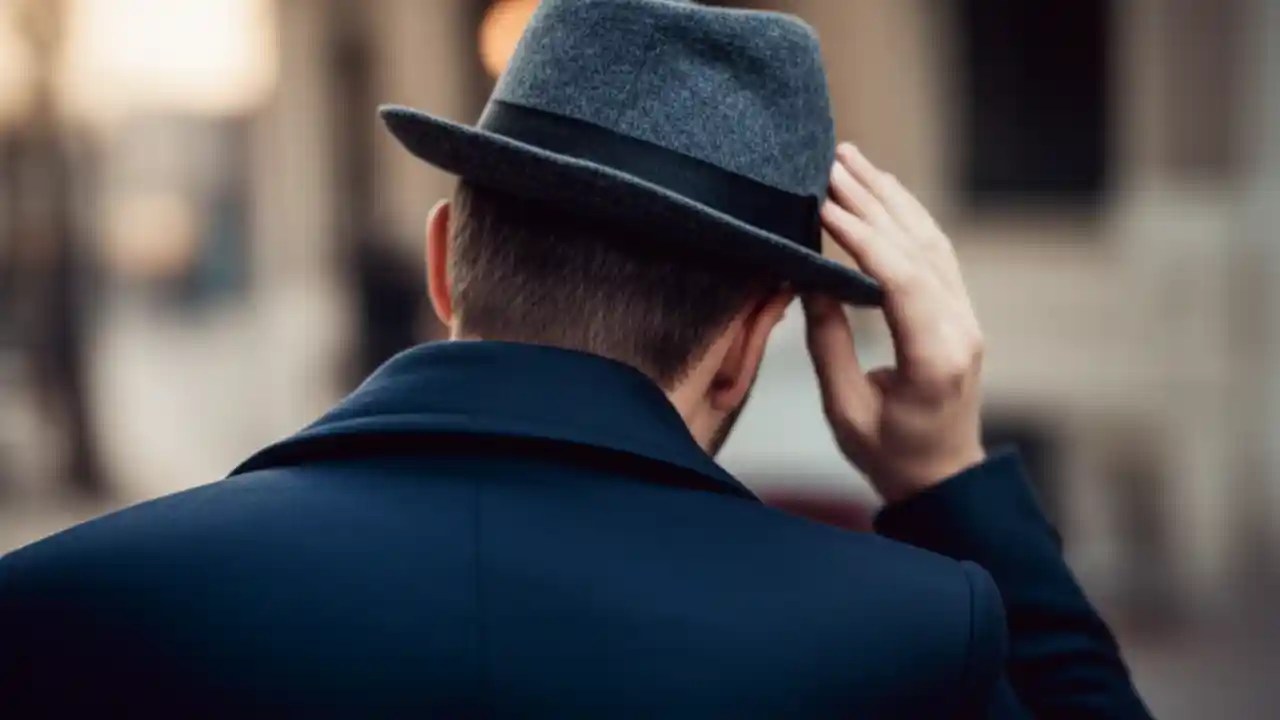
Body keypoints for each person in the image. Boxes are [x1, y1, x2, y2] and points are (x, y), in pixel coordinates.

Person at [0, 0, 1153, 716]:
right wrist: (947, 477)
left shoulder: (63, 604)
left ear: (444, 261)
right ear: (752, 340)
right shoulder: (902, 638)